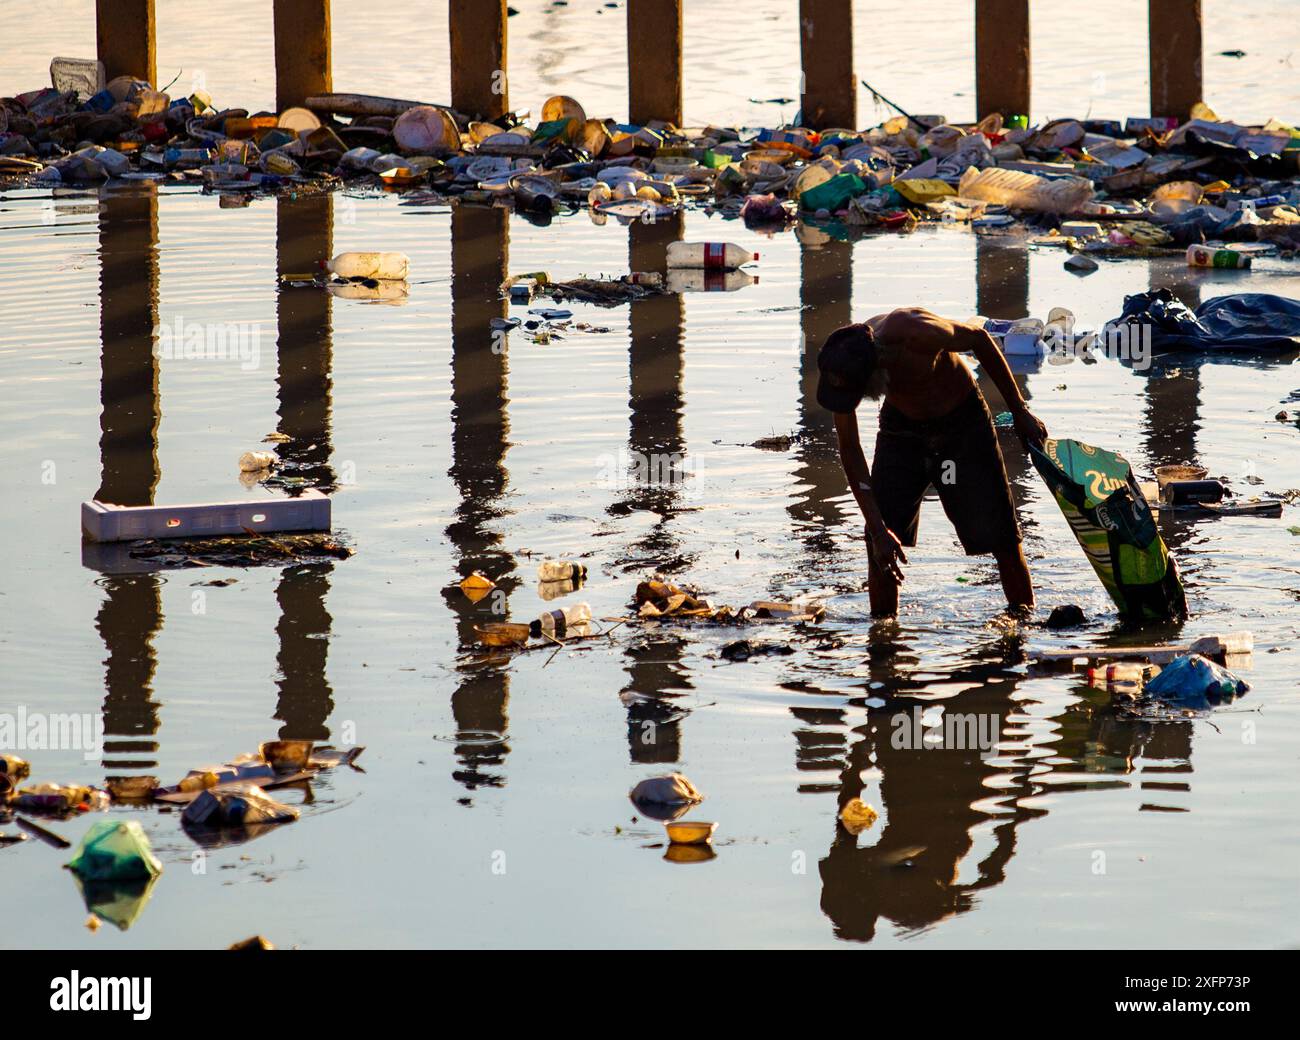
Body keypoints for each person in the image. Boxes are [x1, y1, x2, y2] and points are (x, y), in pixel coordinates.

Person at [816, 308, 1048, 617]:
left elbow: (979, 339)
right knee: (878, 543)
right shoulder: (844, 364)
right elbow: (850, 448)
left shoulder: (915, 331)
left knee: (1002, 535)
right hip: (902, 431)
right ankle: (884, 642)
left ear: (876, 370)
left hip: (962, 425)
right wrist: (877, 528)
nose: (853, 403)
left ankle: (1023, 621)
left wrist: (1019, 410)